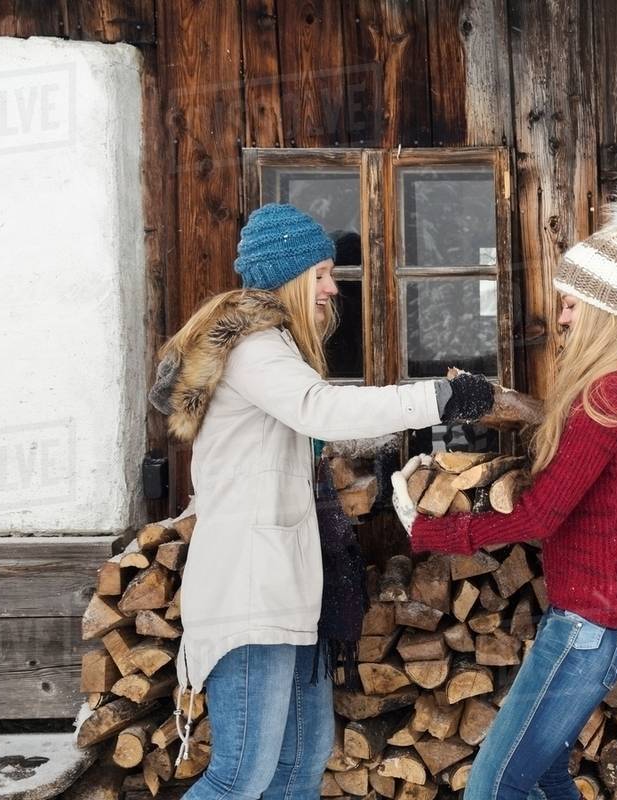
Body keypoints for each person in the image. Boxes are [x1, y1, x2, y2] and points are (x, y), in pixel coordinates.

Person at [148, 203, 493, 799]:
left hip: (288, 590)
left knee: (298, 770)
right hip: (251, 591)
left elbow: (314, 422)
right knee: (241, 777)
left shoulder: (271, 348)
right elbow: (320, 409)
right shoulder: (256, 349)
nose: (333, 289)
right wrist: (438, 398)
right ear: (289, 276)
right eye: (322, 275)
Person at [390, 186, 617, 800]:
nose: (560, 317)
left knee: (493, 788)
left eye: (571, 305)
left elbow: (540, 515)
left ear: (603, 311)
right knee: (547, 771)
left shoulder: (606, 396)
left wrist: (429, 531)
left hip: (593, 622)